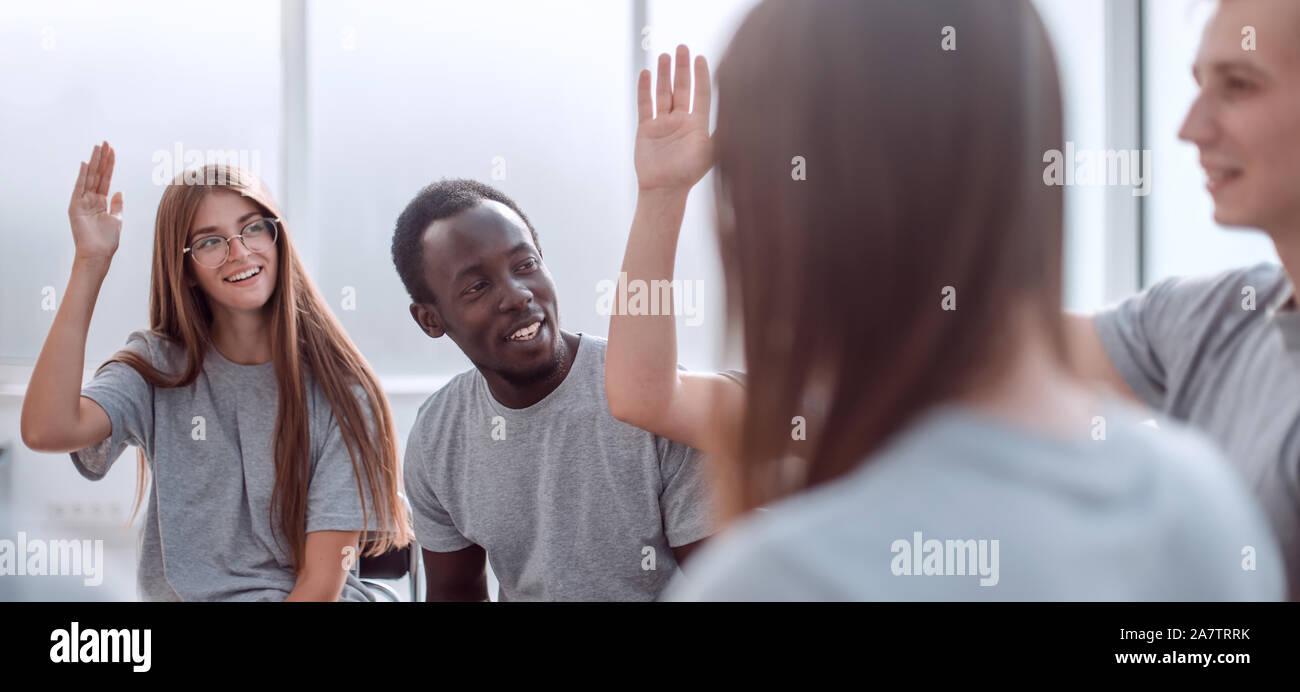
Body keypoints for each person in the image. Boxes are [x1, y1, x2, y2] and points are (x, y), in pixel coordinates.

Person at [604, 2, 1284, 600]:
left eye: (1241, 84)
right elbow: (644, 393)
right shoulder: (1205, 509)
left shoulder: (781, 580)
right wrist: (663, 193)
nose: (1190, 128)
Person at [21, 142, 412, 601]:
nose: (239, 252)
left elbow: (319, 587)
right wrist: (90, 263)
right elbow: (47, 429)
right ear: (185, 269)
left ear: (276, 237)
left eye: (253, 230)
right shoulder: (158, 368)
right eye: (210, 241)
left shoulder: (342, 392)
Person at [1066, 0, 1300, 600]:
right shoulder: (1219, 318)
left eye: (1239, 85)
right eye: (1200, 85)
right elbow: (1003, 353)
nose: (1190, 127)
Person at [390, 179, 713, 601]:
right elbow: (455, 593)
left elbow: (722, 583)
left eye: (525, 265)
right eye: (477, 287)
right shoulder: (438, 433)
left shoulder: (661, 404)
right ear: (430, 320)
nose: (517, 295)